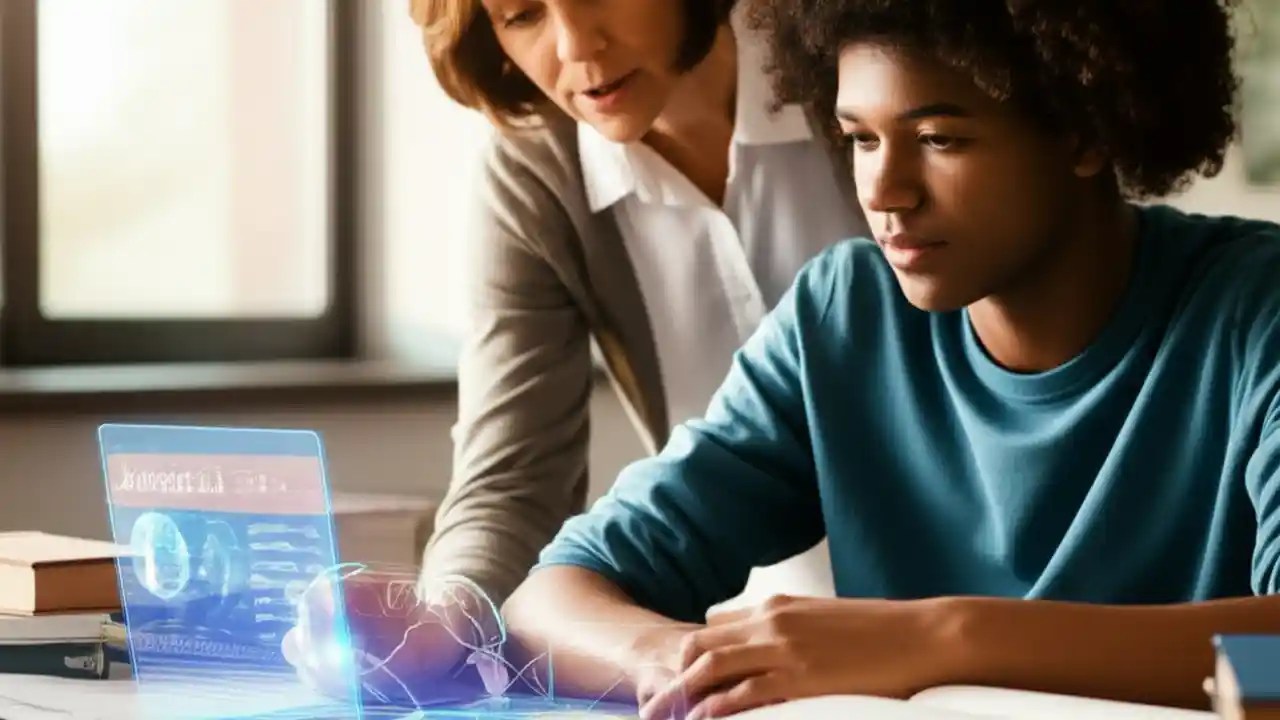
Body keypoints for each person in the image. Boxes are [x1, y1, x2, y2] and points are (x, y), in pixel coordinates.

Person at [502, 0, 1280, 716]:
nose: (883, 191)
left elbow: (1273, 662)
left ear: (1083, 132)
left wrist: (939, 641)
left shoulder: (1256, 314)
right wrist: (692, 665)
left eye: (940, 139)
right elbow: (549, 601)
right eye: (861, 139)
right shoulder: (843, 319)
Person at [282, 0, 869, 699]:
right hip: (743, 644)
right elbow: (513, 476)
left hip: (951, 618)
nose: (575, 47)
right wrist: (446, 616)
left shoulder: (863, 73)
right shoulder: (538, 170)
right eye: (522, 14)